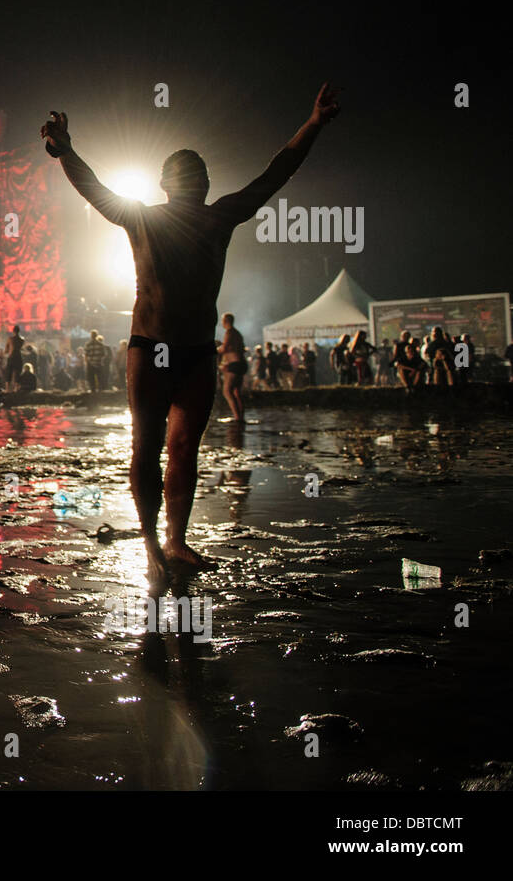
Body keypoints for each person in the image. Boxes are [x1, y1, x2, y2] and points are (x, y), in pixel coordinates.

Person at [41, 82, 340, 581]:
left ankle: (175, 541)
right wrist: (67, 152)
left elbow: (275, 175)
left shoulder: (213, 217)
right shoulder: (154, 219)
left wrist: (312, 125)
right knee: (148, 446)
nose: (196, 178)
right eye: (190, 172)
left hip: (196, 351)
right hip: (154, 348)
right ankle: (155, 545)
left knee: (181, 449)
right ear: (172, 184)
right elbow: (94, 189)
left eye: (198, 171)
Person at [218, 313, 246, 422]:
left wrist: (215, 349)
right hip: (241, 364)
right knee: (236, 392)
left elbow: (224, 348)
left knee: (227, 391)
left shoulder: (229, 333)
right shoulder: (238, 334)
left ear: (225, 321)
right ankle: (241, 417)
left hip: (234, 365)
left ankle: (237, 417)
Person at [4, 325, 25, 390]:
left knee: (9, 373)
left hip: (11, 357)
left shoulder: (10, 339)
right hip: (18, 357)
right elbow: (21, 348)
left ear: (13, 331)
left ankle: (7, 389)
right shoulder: (22, 339)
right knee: (18, 372)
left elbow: (6, 350)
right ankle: (16, 389)